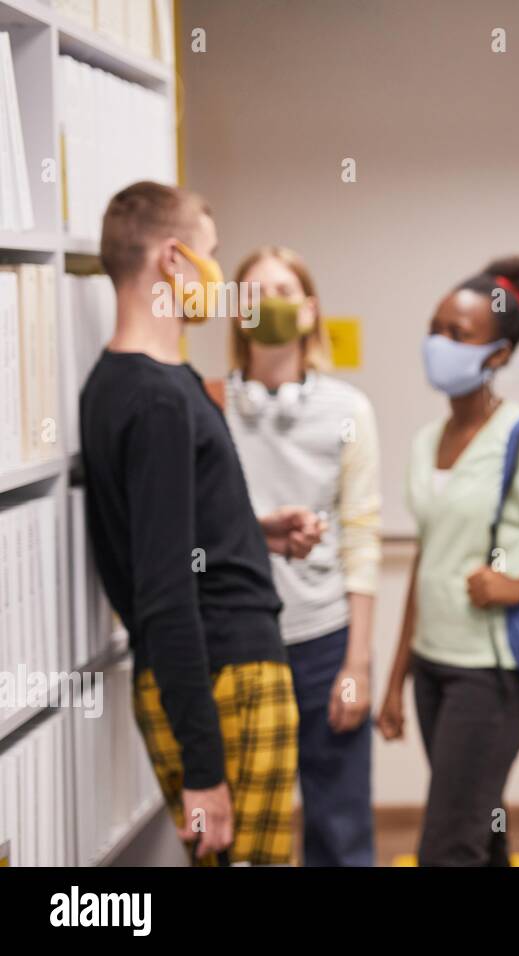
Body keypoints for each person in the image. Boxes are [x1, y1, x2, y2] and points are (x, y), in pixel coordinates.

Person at [81, 181, 324, 865]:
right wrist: (204, 772)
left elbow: (167, 536)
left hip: (226, 667)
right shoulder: (156, 398)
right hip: (228, 675)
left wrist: (253, 533)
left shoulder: (132, 381)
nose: (218, 277)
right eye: (211, 255)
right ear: (172, 260)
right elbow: (163, 589)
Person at [377, 255, 519, 866]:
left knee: (447, 846)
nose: (438, 344)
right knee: (480, 827)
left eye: (458, 334)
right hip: (434, 666)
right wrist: (395, 678)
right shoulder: (427, 442)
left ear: (498, 355)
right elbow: (428, 558)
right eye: (435, 328)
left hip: (493, 675)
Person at [221, 246, 381, 866]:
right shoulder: (208, 405)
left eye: (284, 290)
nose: (270, 305)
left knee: (340, 832)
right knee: (245, 832)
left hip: (322, 640)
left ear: (310, 311)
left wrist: (357, 665)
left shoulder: (348, 411)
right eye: (255, 293)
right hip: (238, 640)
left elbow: (363, 539)